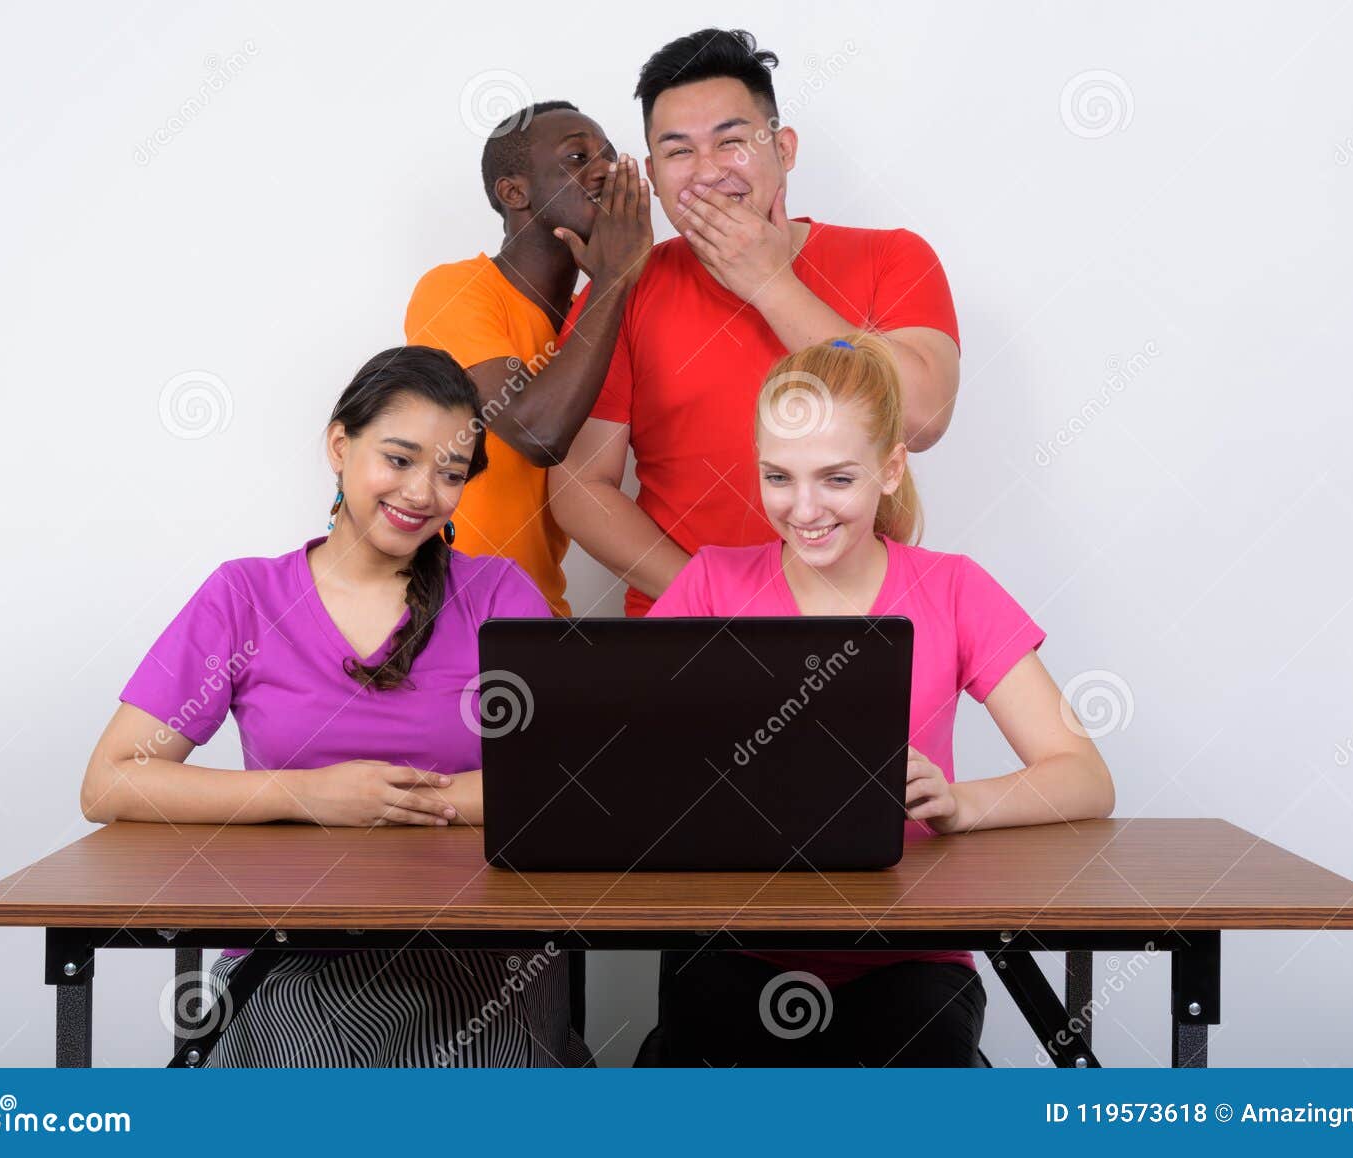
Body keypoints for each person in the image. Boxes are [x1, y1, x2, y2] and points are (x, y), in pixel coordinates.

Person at [80, 345, 590, 1068]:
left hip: (482, 953)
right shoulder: (244, 597)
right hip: (292, 953)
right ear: (339, 446)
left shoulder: (499, 595)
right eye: (400, 459)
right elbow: (111, 782)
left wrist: (400, 800)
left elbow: (573, 788)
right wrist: (310, 794)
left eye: (450, 474)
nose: (423, 493)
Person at [642, 334, 1116, 1066]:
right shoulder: (711, 584)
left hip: (910, 958)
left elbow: (1084, 777)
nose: (803, 509)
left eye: (835, 479)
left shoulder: (952, 589)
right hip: (738, 946)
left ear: (890, 469)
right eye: (778, 477)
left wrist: (958, 803)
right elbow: (618, 758)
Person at [551, 28, 961, 618]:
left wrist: (770, 284)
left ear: (784, 149)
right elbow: (578, 488)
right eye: (678, 151)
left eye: (732, 141)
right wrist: (715, 599)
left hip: (858, 624)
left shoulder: (892, 256)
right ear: (653, 173)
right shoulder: (623, 290)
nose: (709, 171)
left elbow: (922, 419)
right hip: (686, 629)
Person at [406, 100, 652, 616]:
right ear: (515, 192)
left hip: (537, 619)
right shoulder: (455, 290)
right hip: (438, 620)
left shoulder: (598, 321)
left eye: (609, 154)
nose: (605, 168)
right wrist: (614, 277)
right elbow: (538, 432)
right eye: (577, 157)